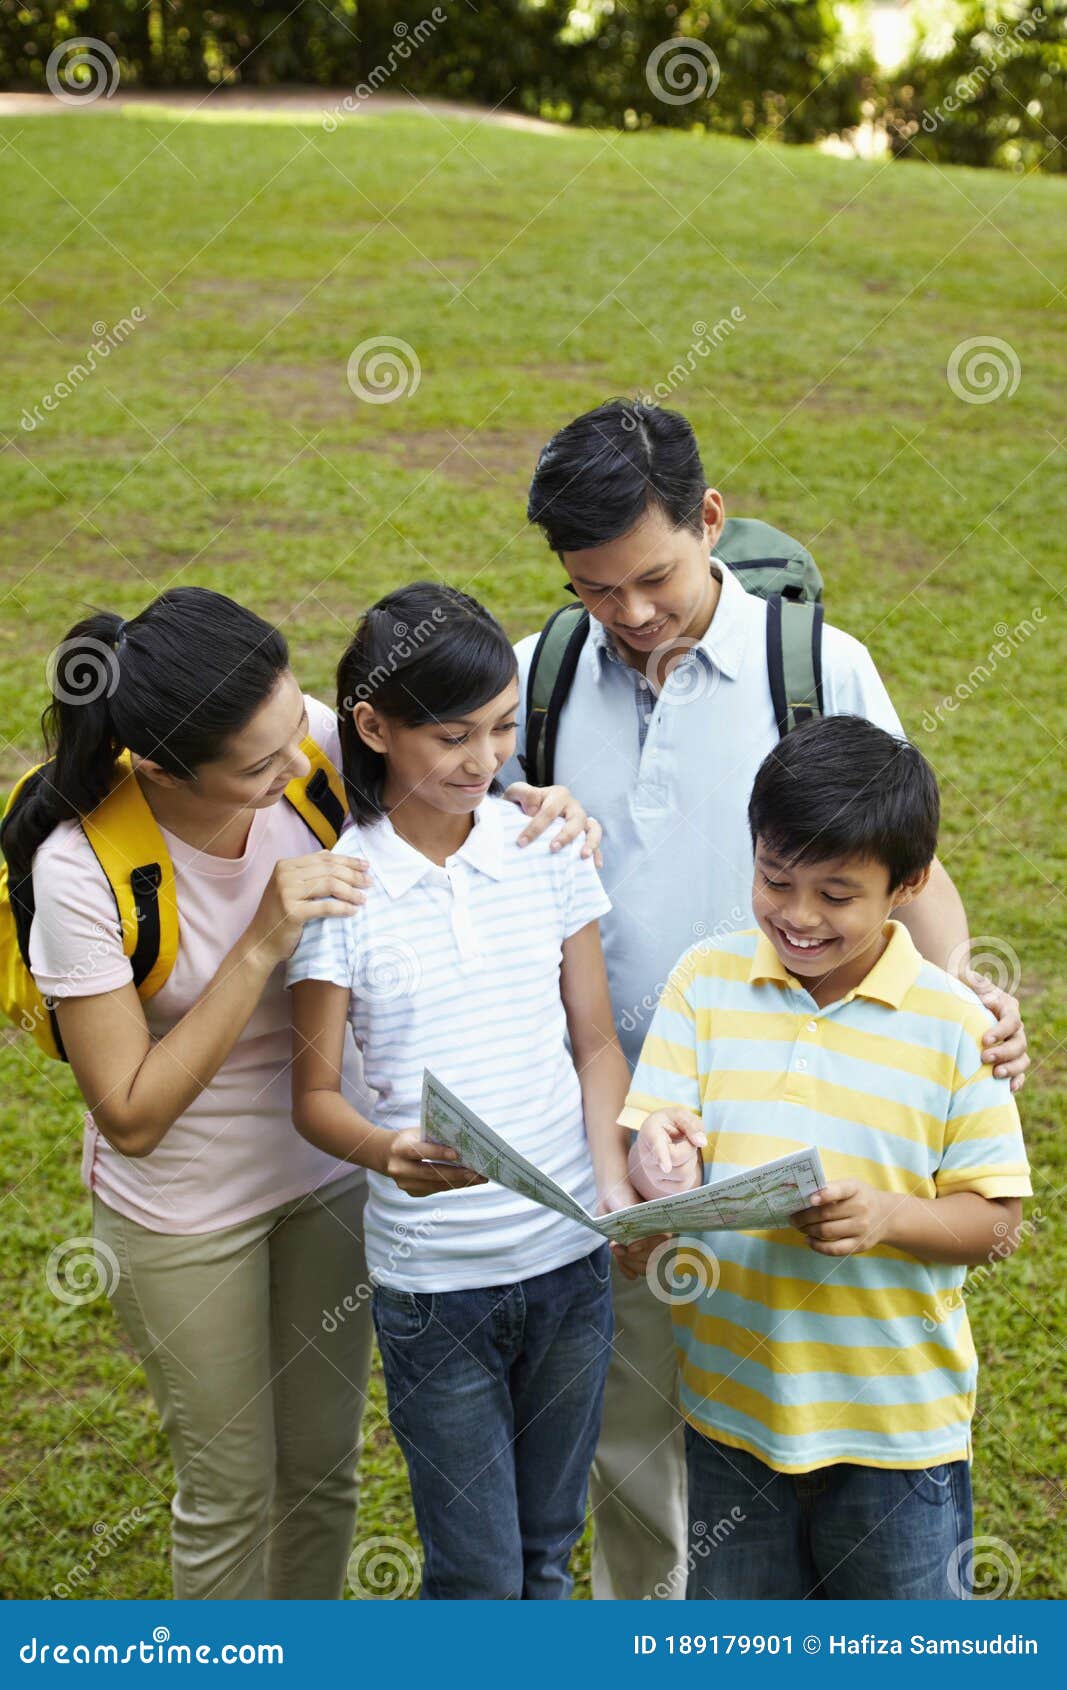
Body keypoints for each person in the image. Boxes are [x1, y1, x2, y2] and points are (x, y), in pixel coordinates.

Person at [504, 398, 1030, 1600]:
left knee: (784, 1434)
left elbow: (903, 855)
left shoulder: (816, 666)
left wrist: (959, 993)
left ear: (710, 521)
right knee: (636, 1447)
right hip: (617, 1128)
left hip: (786, 1126)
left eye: (652, 577)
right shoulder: (541, 674)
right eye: (595, 590)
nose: (629, 615)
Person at [10, 585, 597, 1600]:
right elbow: (134, 1115)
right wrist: (263, 940)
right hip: (184, 1211)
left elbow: (442, 769)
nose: (299, 765)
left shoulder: (311, 743)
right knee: (230, 1487)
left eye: (298, 731)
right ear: (160, 766)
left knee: (322, 1472)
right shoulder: (81, 870)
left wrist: (543, 800)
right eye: (260, 765)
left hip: (328, 1170)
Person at [625, 715, 1031, 1599]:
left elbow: (995, 1225)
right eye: (775, 881)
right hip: (732, 1413)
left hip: (896, 1427)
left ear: (907, 885)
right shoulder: (704, 982)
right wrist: (657, 1166)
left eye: (836, 895)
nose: (798, 916)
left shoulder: (957, 1027)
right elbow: (654, 1155)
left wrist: (887, 1216)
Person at [285, 582, 637, 1600]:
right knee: (476, 1573)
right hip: (435, 1289)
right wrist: (383, 1149)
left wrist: (611, 1184)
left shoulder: (545, 848)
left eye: (501, 728)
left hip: (569, 1264)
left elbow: (597, 1040)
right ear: (372, 726)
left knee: (544, 1551)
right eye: (452, 737)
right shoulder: (339, 892)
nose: (485, 761)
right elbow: (313, 1096)